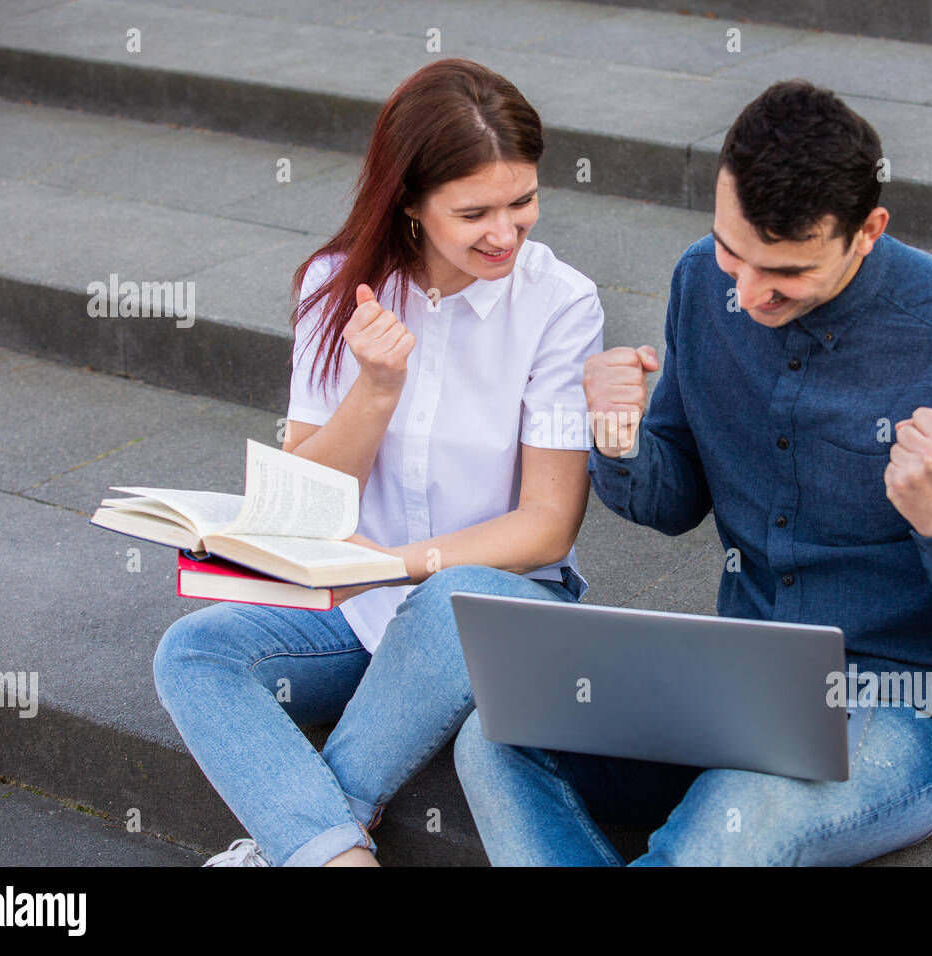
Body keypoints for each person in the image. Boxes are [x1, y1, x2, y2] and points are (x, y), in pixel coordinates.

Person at [452, 79, 932, 866]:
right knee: (499, 733)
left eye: (785, 273)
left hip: (912, 704)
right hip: (743, 684)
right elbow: (675, 497)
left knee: (730, 822)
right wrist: (617, 438)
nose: (746, 293)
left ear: (868, 230)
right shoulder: (702, 286)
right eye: (731, 250)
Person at [152, 58, 604, 866]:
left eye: (523, 201)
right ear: (410, 203)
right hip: (356, 613)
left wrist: (399, 563)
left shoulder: (560, 303)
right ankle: (340, 859)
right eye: (474, 212)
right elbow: (304, 500)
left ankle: (314, 828)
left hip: (500, 608)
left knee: (454, 598)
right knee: (193, 650)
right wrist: (376, 388)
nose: (505, 233)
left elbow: (547, 526)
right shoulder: (338, 286)